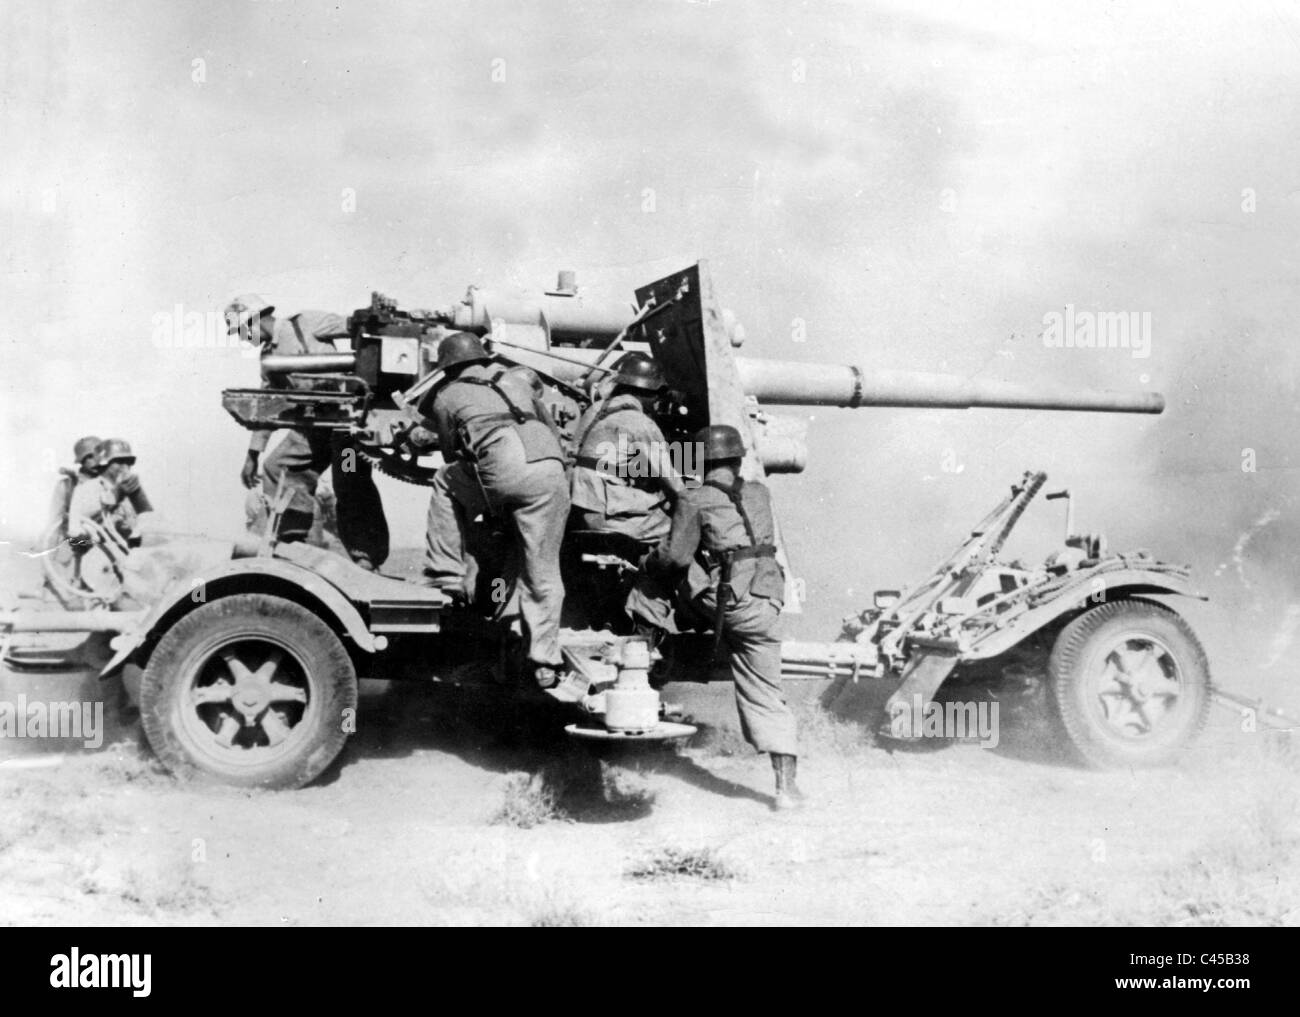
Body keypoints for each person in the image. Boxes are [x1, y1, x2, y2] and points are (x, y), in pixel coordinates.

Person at [630, 424, 804, 811]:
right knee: (767, 693)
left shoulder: (695, 498)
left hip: (729, 603)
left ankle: (644, 656)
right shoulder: (760, 493)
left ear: (701, 460)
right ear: (738, 458)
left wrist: (647, 560)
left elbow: (674, 557)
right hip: (768, 601)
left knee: (652, 576)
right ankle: (786, 789)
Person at [418, 332, 570, 686]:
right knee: (543, 570)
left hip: (505, 471)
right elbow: (551, 431)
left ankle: (446, 574)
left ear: (448, 367)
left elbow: (450, 452)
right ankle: (544, 659)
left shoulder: (448, 394)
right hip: (551, 473)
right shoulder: (517, 381)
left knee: (445, 481)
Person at [224, 293, 389, 570]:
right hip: (313, 428)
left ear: (251, 321)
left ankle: (366, 556)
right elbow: (269, 404)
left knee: (348, 476)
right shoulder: (269, 357)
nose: (242, 338)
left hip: (346, 423)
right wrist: (253, 454)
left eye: (240, 331)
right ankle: (293, 543)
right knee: (279, 468)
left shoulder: (308, 322)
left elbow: (358, 328)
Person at [568, 352, 683, 543]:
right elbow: (671, 481)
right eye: (656, 395)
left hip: (574, 506)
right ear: (648, 392)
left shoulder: (594, 410)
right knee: (679, 525)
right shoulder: (641, 423)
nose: (656, 402)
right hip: (604, 514)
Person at [67, 438, 151, 543]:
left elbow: (148, 517)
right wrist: (118, 493)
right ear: (104, 463)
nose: (125, 466)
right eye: (119, 461)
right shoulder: (85, 488)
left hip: (127, 549)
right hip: (96, 550)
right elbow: (75, 530)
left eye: (129, 461)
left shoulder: (130, 486)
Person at [48, 435, 103, 530]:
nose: (95, 461)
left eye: (98, 455)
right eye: (89, 457)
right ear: (81, 460)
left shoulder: (109, 482)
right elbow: (55, 519)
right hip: (76, 536)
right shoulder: (66, 485)